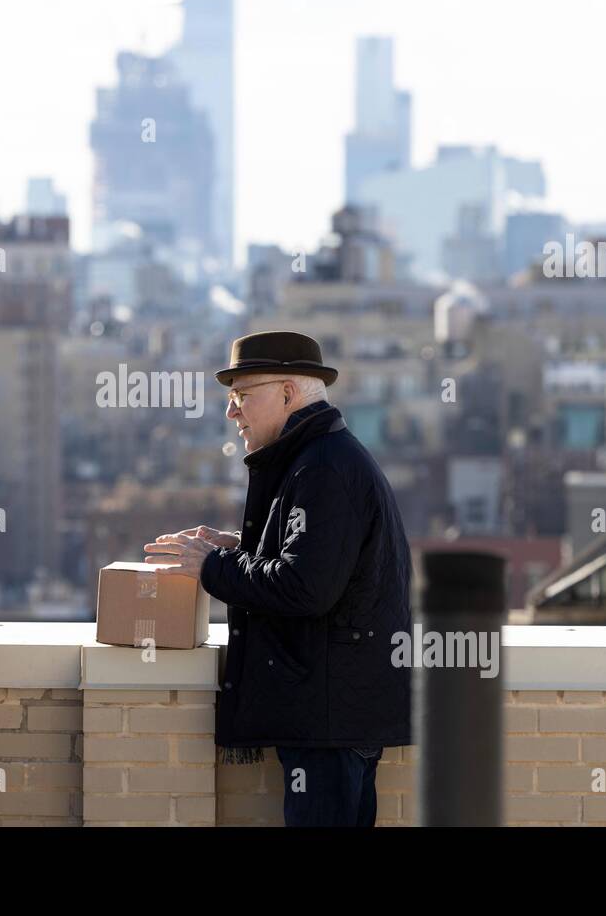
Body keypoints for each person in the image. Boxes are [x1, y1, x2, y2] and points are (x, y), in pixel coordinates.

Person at [144, 330, 412, 827]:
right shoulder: (320, 460)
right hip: (334, 714)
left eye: (242, 395)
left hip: (330, 722)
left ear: (288, 393)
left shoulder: (322, 471)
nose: (232, 413)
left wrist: (211, 566)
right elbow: (311, 562)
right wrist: (241, 549)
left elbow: (303, 587)